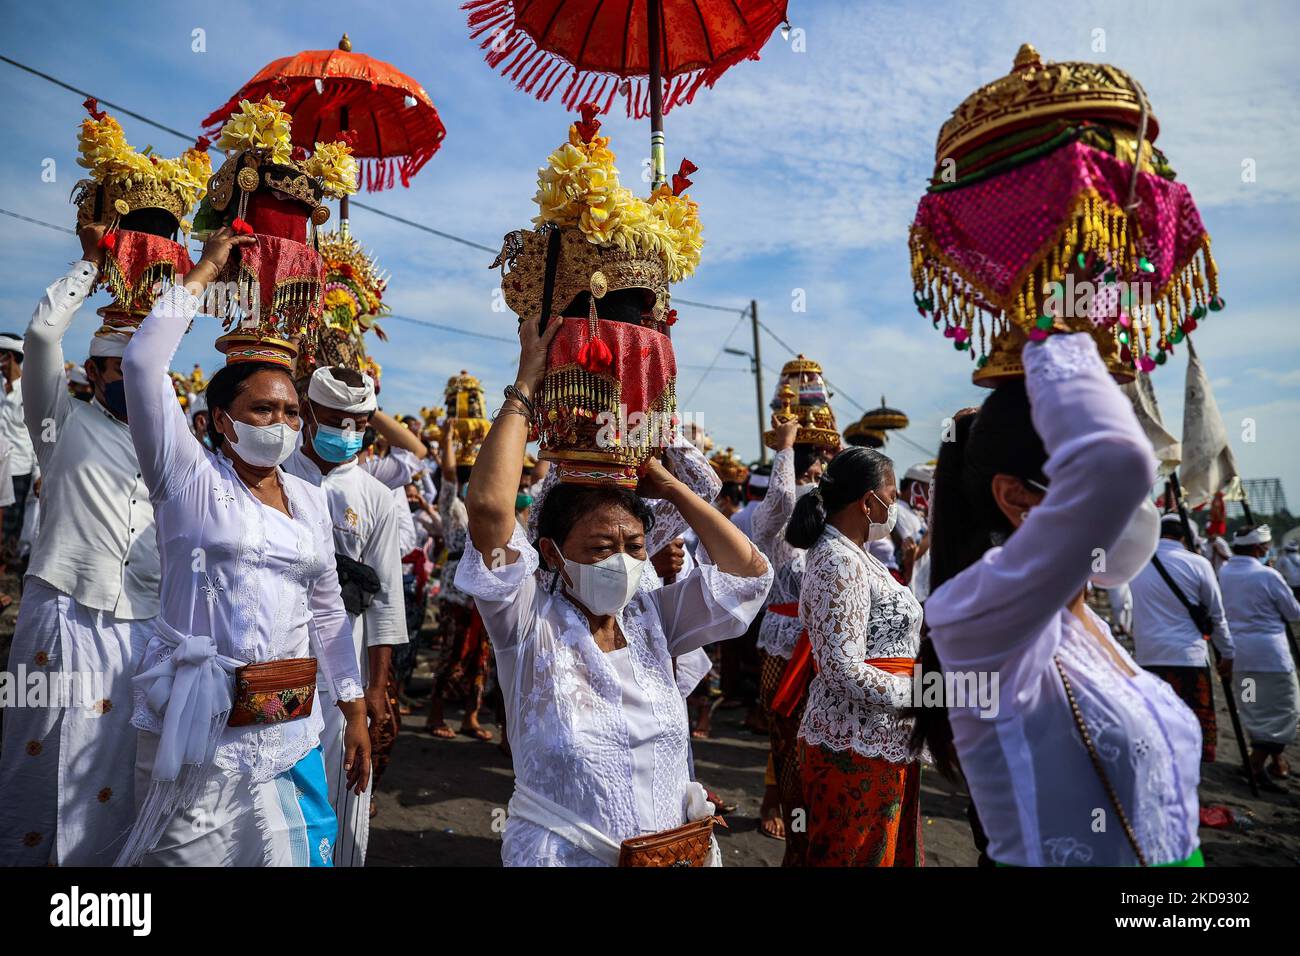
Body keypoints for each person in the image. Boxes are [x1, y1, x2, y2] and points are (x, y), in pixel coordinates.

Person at [454, 314, 771, 866]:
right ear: (551, 553)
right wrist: (526, 383)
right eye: (601, 549)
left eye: (635, 546)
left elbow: (749, 574)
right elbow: (487, 509)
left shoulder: (651, 617)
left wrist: (673, 488)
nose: (621, 562)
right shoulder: (526, 616)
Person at [116, 227, 369, 867]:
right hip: (198, 725)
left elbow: (328, 611)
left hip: (288, 725)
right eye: (263, 410)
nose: (281, 424)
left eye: (290, 412)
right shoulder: (187, 479)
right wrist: (205, 271)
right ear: (220, 419)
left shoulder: (310, 498)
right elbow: (143, 363)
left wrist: (354, 705)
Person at [919, 333, 1203, 867]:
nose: (1137, 507)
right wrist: (1057, 330)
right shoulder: (977, 618)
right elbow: (1118, 466)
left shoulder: (1085, 622)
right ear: (1016, 497)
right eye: (1075, 473)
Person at [0, 225, 161, 865]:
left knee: (118, 772)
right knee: (44, 765)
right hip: (64, 613)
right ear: (91, 372)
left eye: (141, 372)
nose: (131, 382)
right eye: (118, 370)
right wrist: (92, 263)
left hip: (140, 628)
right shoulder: (58, 422)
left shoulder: (166, 442)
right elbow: (42, 337)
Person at [282, 365, 407, 865]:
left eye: (358, 423)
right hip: (276, 650)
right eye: (336, 421)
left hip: (345, 663)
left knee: (339, 775)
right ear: (308, 413)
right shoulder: (275, 472)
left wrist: (377, 687)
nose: (347, 434)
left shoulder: (375, 496)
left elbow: (387, 600)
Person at [785, 445, 926, 866]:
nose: (896, 507)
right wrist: (921, 694)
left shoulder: (857, 555)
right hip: (853, 743)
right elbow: (841, 668)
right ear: (869, 502)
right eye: (894, 496)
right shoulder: (837, 560)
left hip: (881, 736)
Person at [751, 419, 818, 855]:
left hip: (820, 647)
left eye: (819, 478)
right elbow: (782, 498)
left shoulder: (826, 538)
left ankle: (810, 817)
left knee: (814, 738)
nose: (814, 484)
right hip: (782, 644)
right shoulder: (772, 532)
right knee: (786, 736)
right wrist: (787, 446)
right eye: (808, 475)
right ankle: (784, 812)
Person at [1127, 512, 1233, 761]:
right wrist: (1228, 652)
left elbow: (1101, 571)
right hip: (1188, 657)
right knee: (1190, 734)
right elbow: (1217, 615)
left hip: (1148, 655)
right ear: (1185, 537)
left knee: (1156, 729)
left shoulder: (1137, 563)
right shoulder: (1198, 564)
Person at [427, 416, 494, 741]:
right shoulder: (452, 505)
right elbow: (450, 475)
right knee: (451, 652)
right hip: (456, 590)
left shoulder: (487, 509)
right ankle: (436, 714)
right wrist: (448, 438)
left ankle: (471, 716)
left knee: (479, 656)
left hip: (482, 593)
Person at [1219, 524, 1300, 783]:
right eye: (1266, 547)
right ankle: (1255, 764)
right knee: (1284, 710)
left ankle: (1273, 761)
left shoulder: (1224, 572)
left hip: (1239, 656)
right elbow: (1293, 613)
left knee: (1252, 707)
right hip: (1271, 658)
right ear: (1258, 548)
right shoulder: (1267, 575)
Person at [0, 331, 36, 563]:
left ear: (10, 357)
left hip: (19, 468)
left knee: (11, 526)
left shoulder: (30, 390)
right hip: (0, 464)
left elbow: (38, 435)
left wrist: (39, 473)